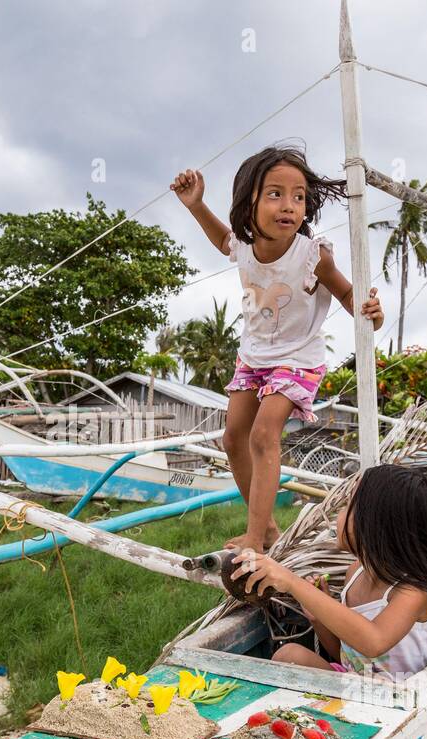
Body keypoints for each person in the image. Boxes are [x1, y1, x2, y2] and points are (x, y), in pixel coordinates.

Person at [171, 143, 384, 554]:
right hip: (253, 356)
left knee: (265, 434)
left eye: (299, 196)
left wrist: (372, 312)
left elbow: (348, 296)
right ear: (248, 200)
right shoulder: (245, 248)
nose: (289, 205)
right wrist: (195, 205)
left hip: (297, 357)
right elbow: (222, 240)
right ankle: (266, 527)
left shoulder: (312, 255)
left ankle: (253, 539)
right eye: (275, 194)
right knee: (234, 439)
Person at [231, 464, 427, 681]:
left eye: (347, 507)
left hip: (402, 697)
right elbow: (348, 652)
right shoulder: (356, 574)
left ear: (376, 524)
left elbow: (373, 643)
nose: (338, 516)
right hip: (357, 684)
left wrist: (293, 582)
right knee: (288, 655)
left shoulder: (412, 591)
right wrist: (319, 619)